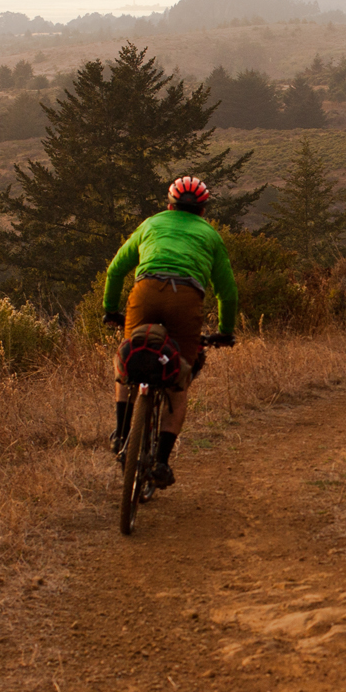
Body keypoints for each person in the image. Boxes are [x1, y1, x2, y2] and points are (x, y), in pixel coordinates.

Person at [101, 176, 238, 487]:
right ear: (203, 210)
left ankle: (122, 433)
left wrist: (110, 310)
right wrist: (225, 331)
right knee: (181, 377)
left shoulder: (150, 224)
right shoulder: (210, 235)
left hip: (146, 290)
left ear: (169, 205)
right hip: (186, 299)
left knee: (126, 356)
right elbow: (227, 293)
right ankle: (161, 461)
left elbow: (115, 270)